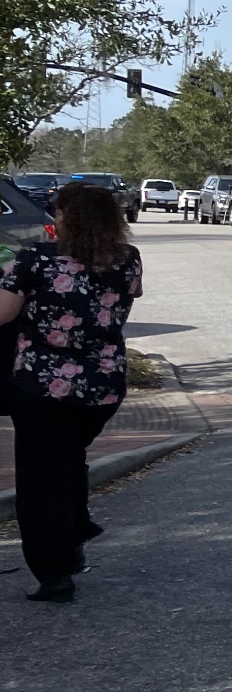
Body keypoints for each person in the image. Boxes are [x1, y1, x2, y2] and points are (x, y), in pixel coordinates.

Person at [0, 182, 143, 602]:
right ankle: (74, 532)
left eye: (58, 212)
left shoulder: (35, 258)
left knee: (40, 476)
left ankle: (54, 571)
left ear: (68, 217)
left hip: (42, 386)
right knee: (67, 457)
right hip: (102, 386)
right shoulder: (128, 259)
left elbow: (4, 312)